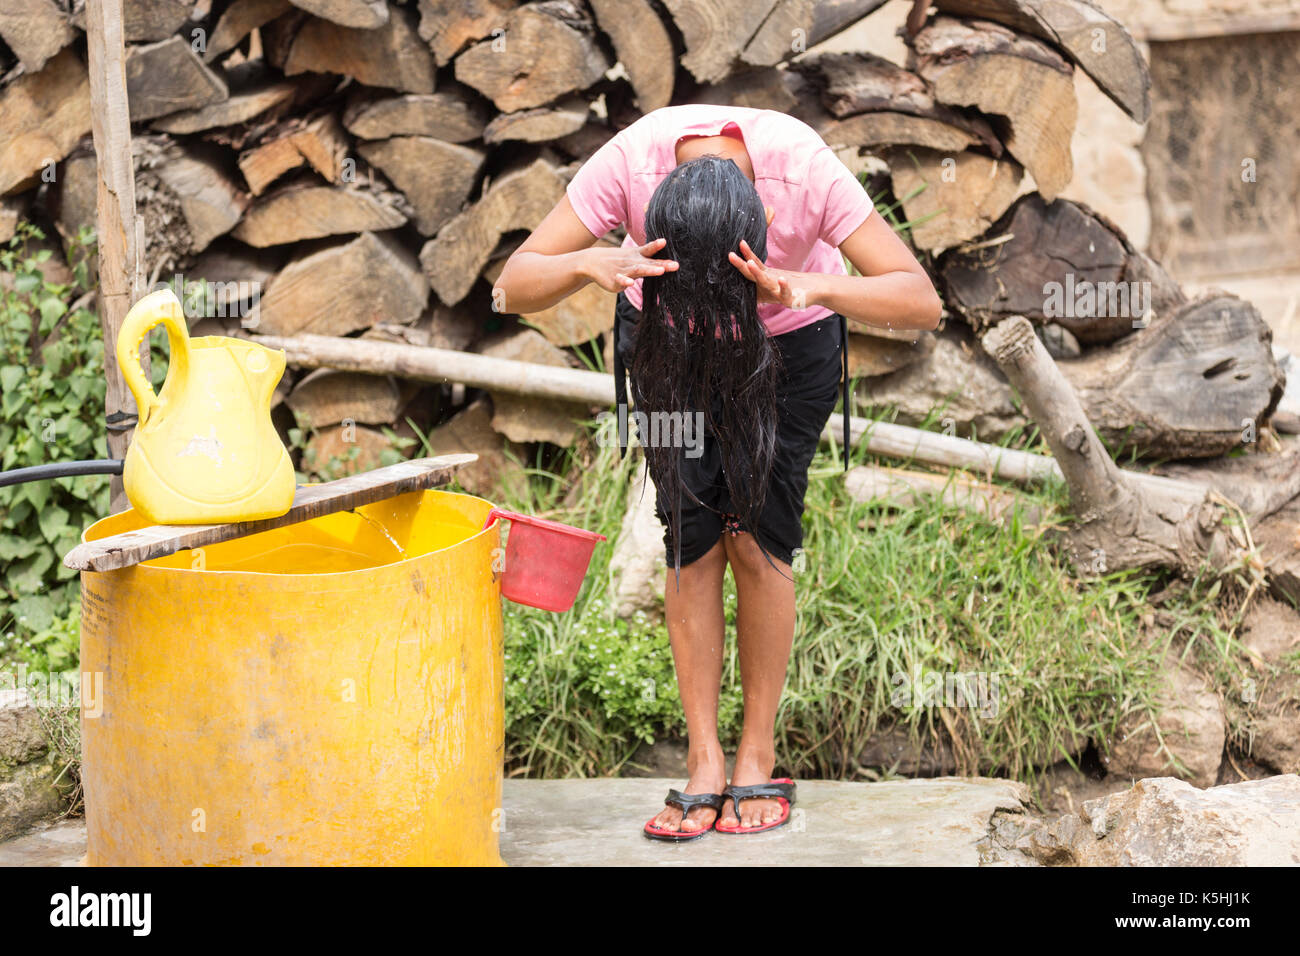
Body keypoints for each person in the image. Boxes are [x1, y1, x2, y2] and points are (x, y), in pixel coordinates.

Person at [494, 104, 941, 838]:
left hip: (788, 348)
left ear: (765, 210)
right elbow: (509, 287)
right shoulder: (630, 163)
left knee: (757, 536)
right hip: (671, 348)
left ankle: (756, 757)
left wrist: (809, 285)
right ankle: (704, 761)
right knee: (690, 536)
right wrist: (584, 262)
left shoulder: (801, 170)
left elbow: (919, 300)